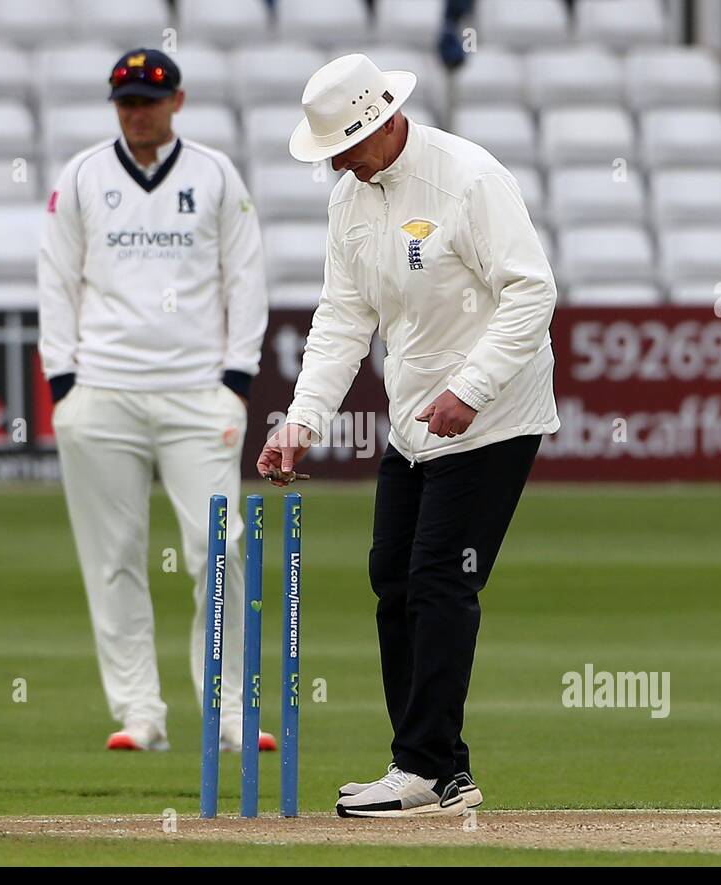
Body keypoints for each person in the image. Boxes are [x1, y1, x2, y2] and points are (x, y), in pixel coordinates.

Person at [258, 54, 559, 816]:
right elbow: (342, 320)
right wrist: (301, 421)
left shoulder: (468, 177)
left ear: (386, 120)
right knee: (391, 574)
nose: (337, 162)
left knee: (438, 580)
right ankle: (444, 771)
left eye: (346, 144)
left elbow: (532, 291)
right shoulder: (349, 201)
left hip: (493, 415)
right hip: (416, 417)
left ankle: (420, 767)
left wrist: (471, 388)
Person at [40, 48, 273, 754]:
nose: (137, 112)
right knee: (113, 555)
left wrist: (235, 380)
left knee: (219, 547)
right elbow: (56, 279)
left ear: (178, 101)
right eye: (126, 101)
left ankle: (228, 711)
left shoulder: (213, 173)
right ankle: (140, 713)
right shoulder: (82, 175)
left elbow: (246, 273)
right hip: (102, 390)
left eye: (149, 98)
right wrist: (64, 383)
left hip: (197, 394)